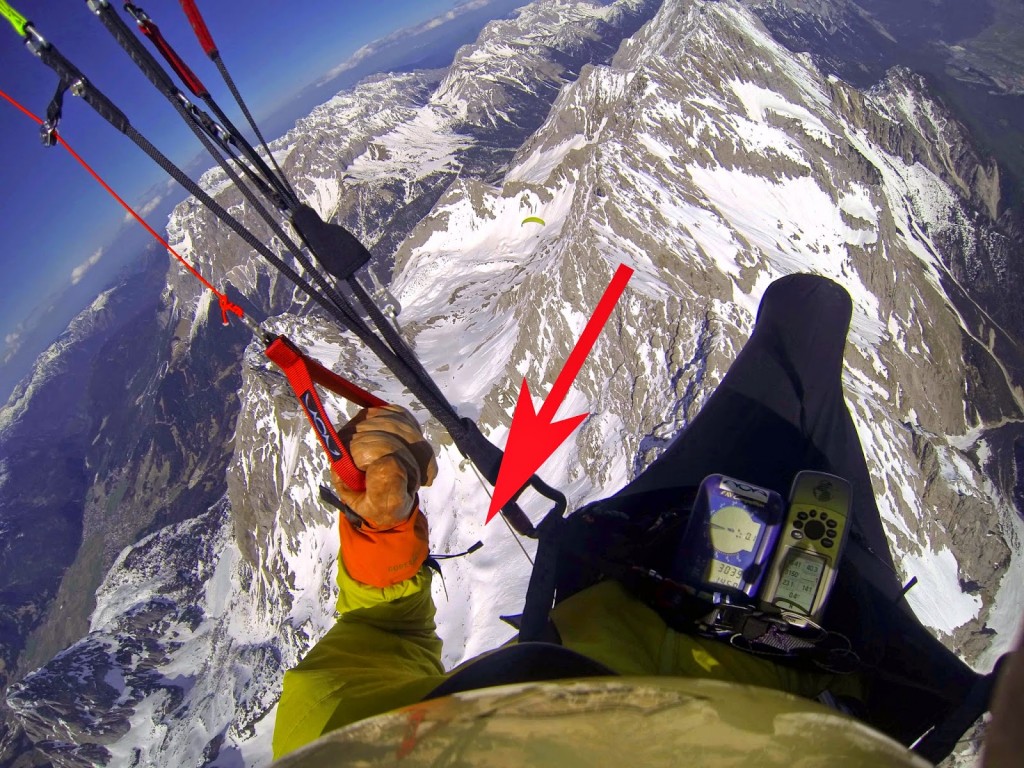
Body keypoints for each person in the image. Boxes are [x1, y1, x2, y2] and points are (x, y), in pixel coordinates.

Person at [270, 274, 1007, 766]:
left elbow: (379, 637)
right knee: (802, 341)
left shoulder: (328, 739)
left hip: (646, 576)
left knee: (802, 330)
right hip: (831, 690)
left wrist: (383, 530)